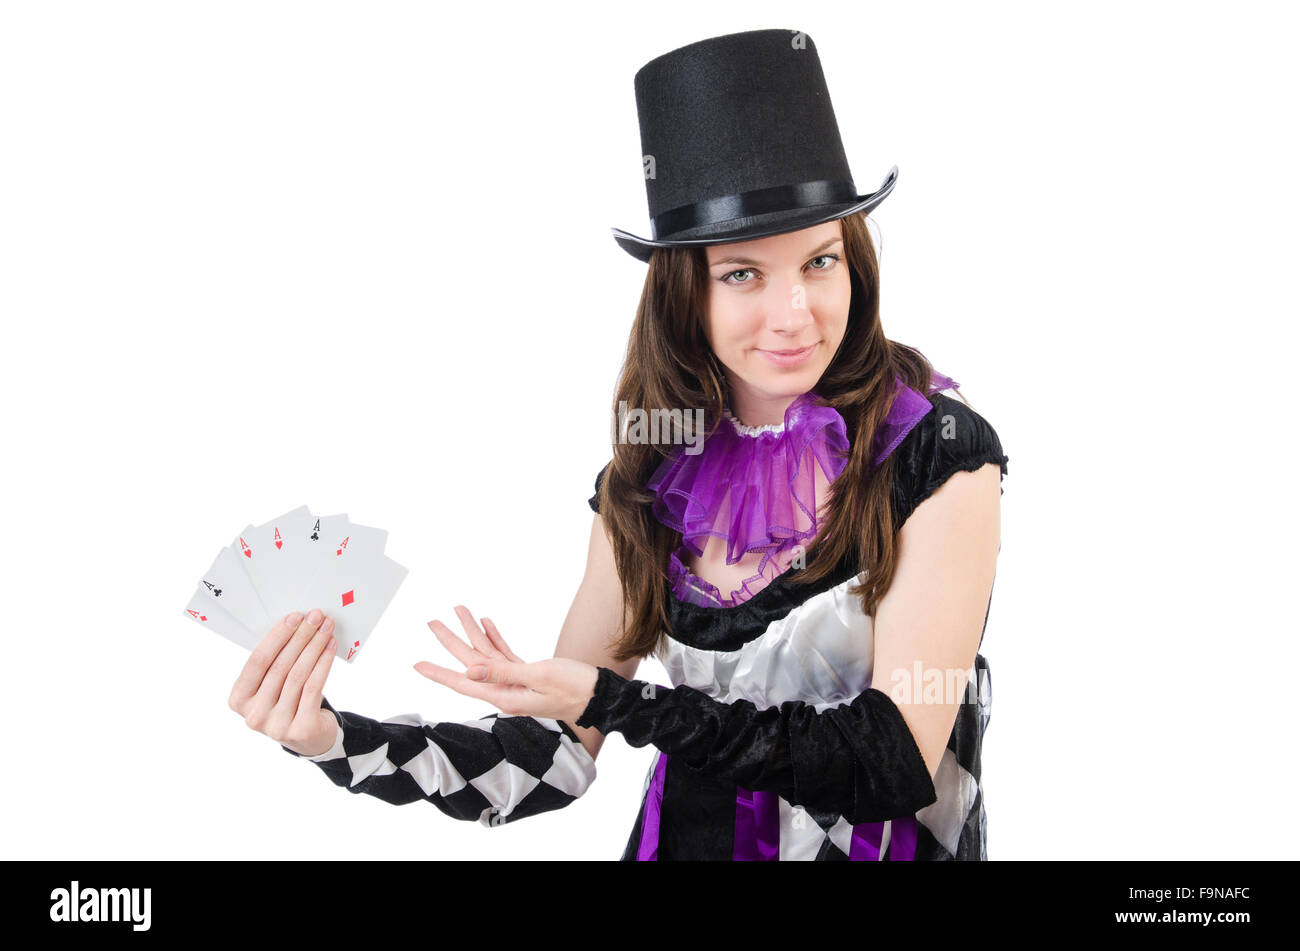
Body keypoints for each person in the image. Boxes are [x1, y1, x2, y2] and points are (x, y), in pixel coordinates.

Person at [227, 28, 1008, 860]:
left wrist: (625, 703)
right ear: (685, 292)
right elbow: (553, 757)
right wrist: (332, 740)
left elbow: (893, 757)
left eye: (819, 261)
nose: (795, 312)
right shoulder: (647, 478)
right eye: (742, 272)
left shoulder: (937, 453)